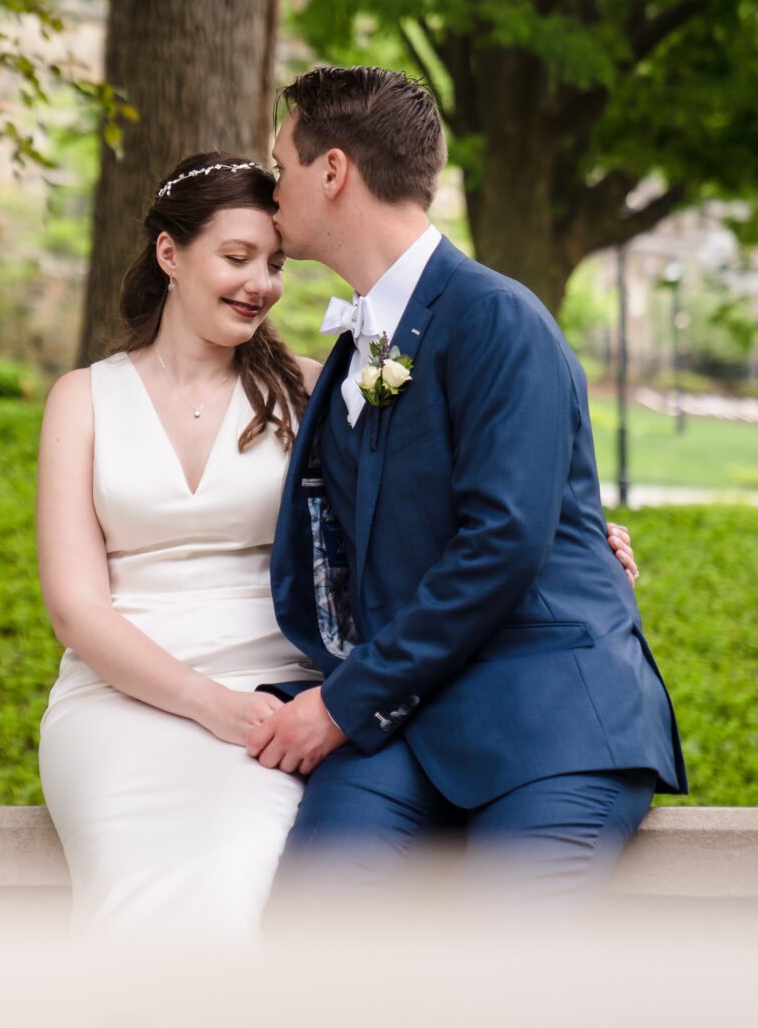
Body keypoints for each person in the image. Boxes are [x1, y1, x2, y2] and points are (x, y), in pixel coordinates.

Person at [34, 150, 644, 938]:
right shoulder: (82, 398)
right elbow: (77, 609)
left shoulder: (315, 385)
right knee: (131, 879)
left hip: (279, 695)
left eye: (275, 261)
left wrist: (572, 535)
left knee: (241, 875)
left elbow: (426, 502)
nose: (261, 282)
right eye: (236, 256)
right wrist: (212, 707)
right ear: (169, 254)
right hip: (120, 701)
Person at [249, 65, 686, 905]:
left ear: (333, 171)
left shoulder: (497, 316)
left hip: (548, 713)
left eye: (282, 166)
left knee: (501, 968)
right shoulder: (358, 347)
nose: (274, 188)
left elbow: (504, 542)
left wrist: (341, 703)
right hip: (407, 717)